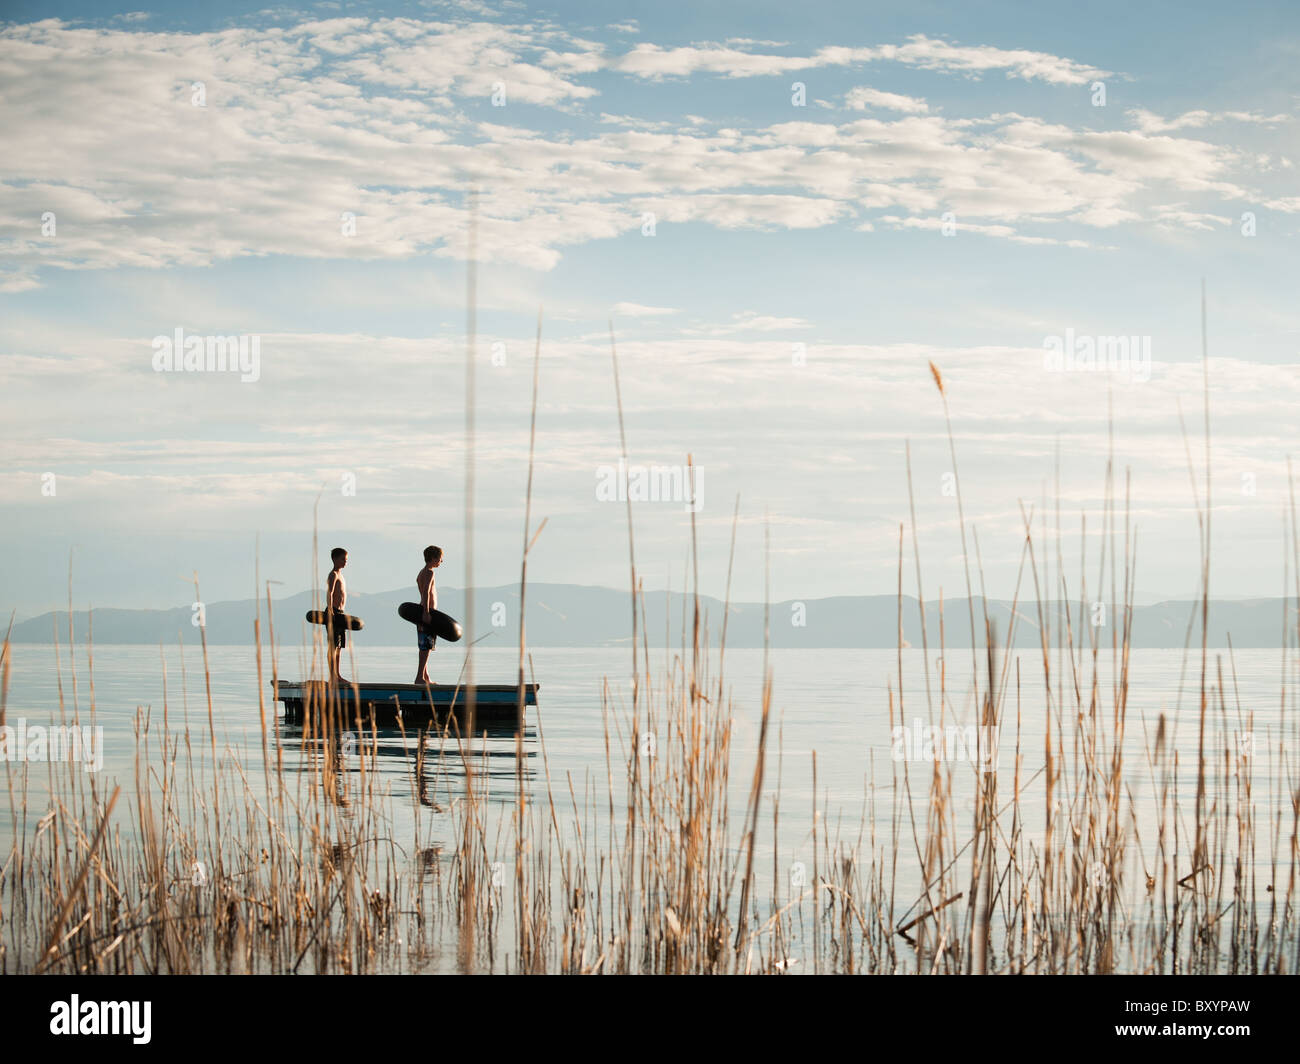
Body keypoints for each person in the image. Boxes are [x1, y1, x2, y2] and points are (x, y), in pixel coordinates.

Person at [415, 545, 443, 684]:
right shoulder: (429, 573)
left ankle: (425, 676)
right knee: (426, 646)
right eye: (440, 558)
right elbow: (426, 591)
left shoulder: (422, 572)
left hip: (425, 611)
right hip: (427, 612)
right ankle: (420, 677)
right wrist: (426, 612)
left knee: (426, 645)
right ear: (433, 558)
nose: (441, 561)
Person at [326, 547, 348, 682]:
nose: (345, 562)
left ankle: (338, 675)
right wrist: (329, 609)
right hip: (333, 612)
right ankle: (332, 675)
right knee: (333, 645)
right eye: (343, 559)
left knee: (339, 646)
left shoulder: (341, 575)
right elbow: (330, 592)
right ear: (335, 559)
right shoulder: (333, 574)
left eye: (346, 560)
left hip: (341, 613)